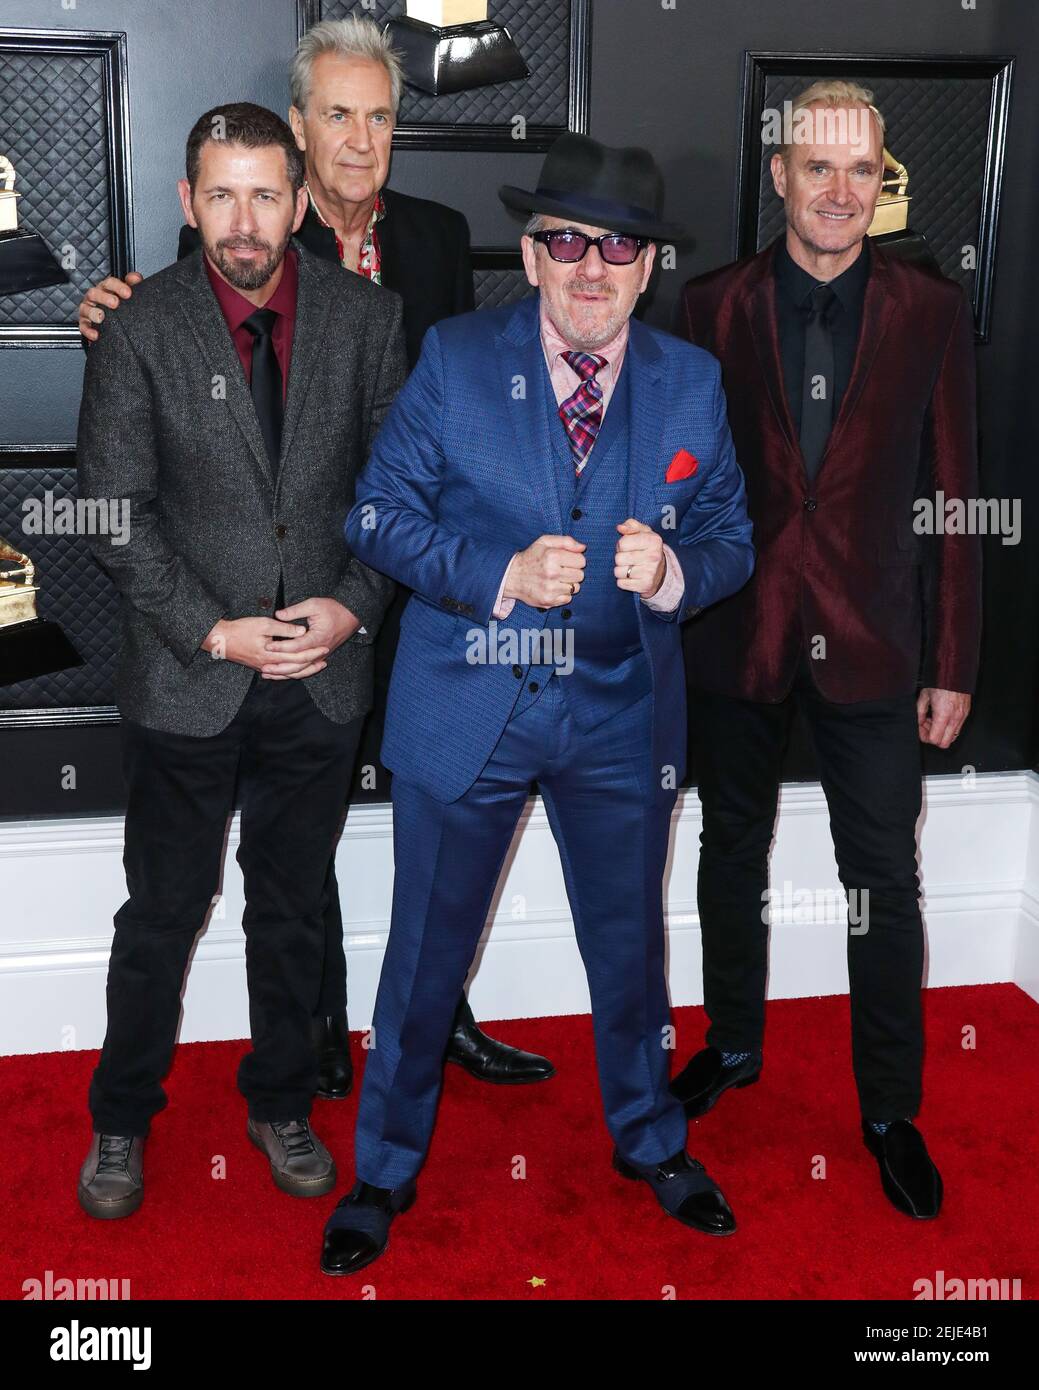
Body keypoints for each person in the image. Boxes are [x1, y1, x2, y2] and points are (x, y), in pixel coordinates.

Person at [76, 14, 553, 1099]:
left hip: (403, 591)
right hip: (244, 625)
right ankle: (319, 1032)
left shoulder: (428, 242)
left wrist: (387, 588)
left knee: (429, 813)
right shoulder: (230, 245)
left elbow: (439, 433)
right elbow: (179, 350)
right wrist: (118, 303)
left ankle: (436, 1015)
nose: (359, 138)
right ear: (295, 138)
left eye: (379, 117)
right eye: (337, 114)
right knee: (271, 865)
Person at [319, 133, 756, 1275]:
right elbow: (373, 517)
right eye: (565, 241)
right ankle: (383, 1167)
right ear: (529, 253)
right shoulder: (457, 359)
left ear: (649, 264)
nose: (591, 267)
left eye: (618, 245)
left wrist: (673, 577)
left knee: (629, 950)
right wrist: (499, 574)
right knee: (423, 957)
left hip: (620, 715)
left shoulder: (690, 383)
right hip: (472, 705)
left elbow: (728, 540)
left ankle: (649, 1138)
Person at [75, 103, 407, 1217]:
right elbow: (115, 516)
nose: (244, 219)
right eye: (220, 193)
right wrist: (213, 630)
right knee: (160, 914)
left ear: (301, 199)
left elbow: (399, 499)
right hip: (186, 679)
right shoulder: (139, 328)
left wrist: (350, 609)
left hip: (320, 683)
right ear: (186, 202)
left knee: (291, 908)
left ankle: (279, 1103)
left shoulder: (369, 319)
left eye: (266, 192)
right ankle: (120, 1120)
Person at [673, 81, 982, 1220]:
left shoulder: (929, 310)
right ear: (781, 173)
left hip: (872, 641)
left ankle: (890, 1108)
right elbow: (681, 473)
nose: (841, 192)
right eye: (819, 167)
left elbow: (954, 491)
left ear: (881, 183)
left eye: (865, 172)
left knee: (880, 881)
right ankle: (732, 1042)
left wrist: (952, 658)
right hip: (735, 631)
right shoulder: (707, 305)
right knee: (727, 855)